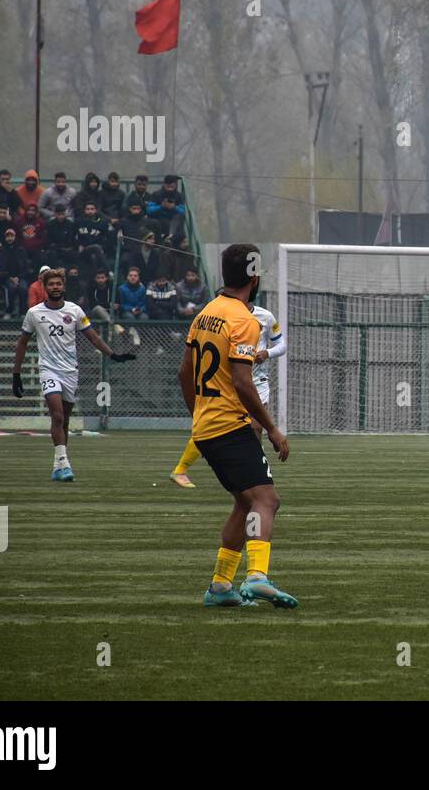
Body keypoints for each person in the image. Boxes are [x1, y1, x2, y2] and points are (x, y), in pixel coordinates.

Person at [179, 243, 296, 608]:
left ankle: (219, 586)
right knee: (266, 500)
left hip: (207, 427)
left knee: (245, 503)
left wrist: (199, 415)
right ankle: (257, 576)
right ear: (254, 278)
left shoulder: (205, 313)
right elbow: (243, 382)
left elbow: (184, 373)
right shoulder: (244, 320)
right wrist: (272, 428)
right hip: (230, 425)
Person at [11, 267, 135, 481]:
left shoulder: (75, 311)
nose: (55, 287)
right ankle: (64, 464)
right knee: (57, 415)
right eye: (51, 284)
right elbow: (23, 342)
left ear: (63, 286)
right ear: (45, 287)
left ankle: (58, 466)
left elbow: (93, 337)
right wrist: (16, 374)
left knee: (65, 420)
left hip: (70, 371)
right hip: (48, 370)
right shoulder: (34, 313)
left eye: (58, 284)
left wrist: (113, 355)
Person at [172, 300, 287, 489]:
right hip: (231, 381)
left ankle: (255, 473)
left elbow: (281, 345)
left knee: (256, 427)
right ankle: (182, 469)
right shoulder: (224, 317)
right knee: (217, 424)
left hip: (257, 381)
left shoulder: (266, 317)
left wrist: (267, 353)